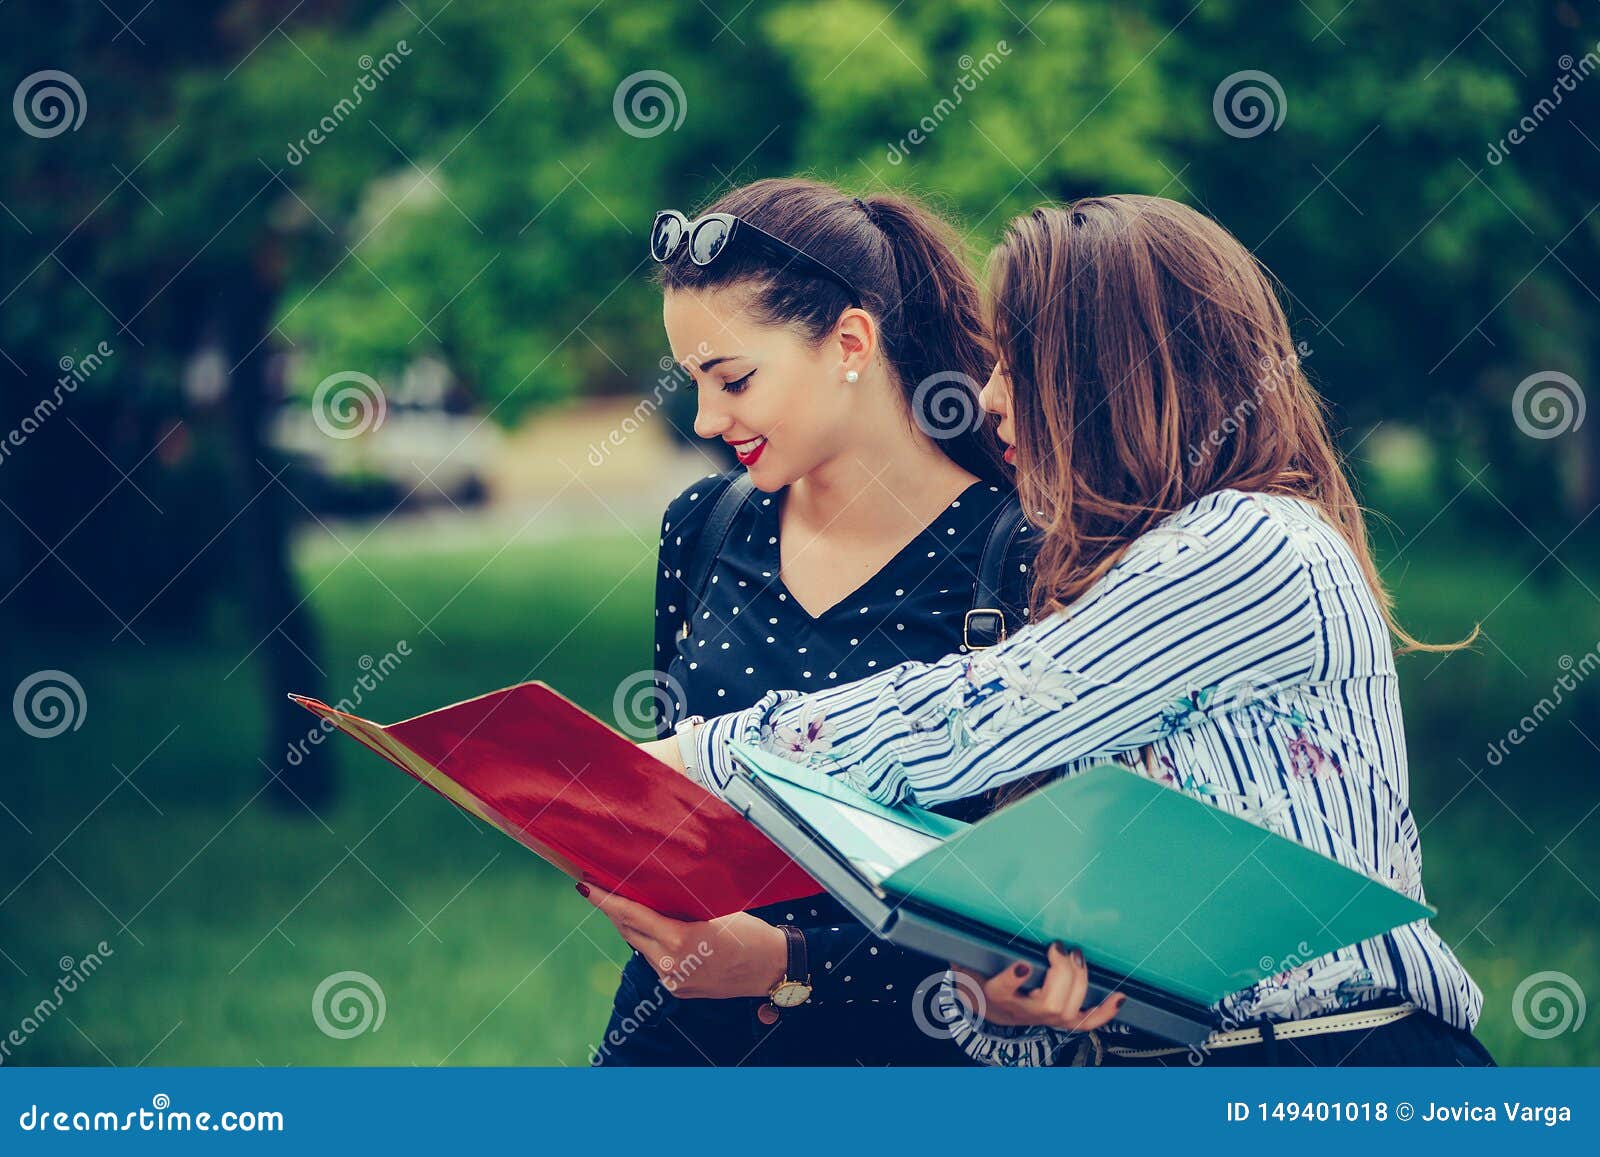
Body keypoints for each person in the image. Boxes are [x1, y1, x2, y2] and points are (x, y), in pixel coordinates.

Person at [607, 195, 1496, 1067]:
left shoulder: (1253, 546)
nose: (986, 397)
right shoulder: (1091, 581)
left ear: (1111, 375)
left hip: (1335, 1061)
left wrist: (697, 758)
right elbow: (1044, 924)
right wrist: (1002, 1000)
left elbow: (974, 711)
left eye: (1017, 364)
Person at [587, 177, 1038, 1066]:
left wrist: (782, 965)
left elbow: (1025, 919)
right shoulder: (705, 526)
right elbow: (677, 808)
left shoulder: (1019, 555)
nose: (710, 420)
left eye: (735, 379)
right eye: (694, 385)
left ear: (850, 343)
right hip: (676, 1050)